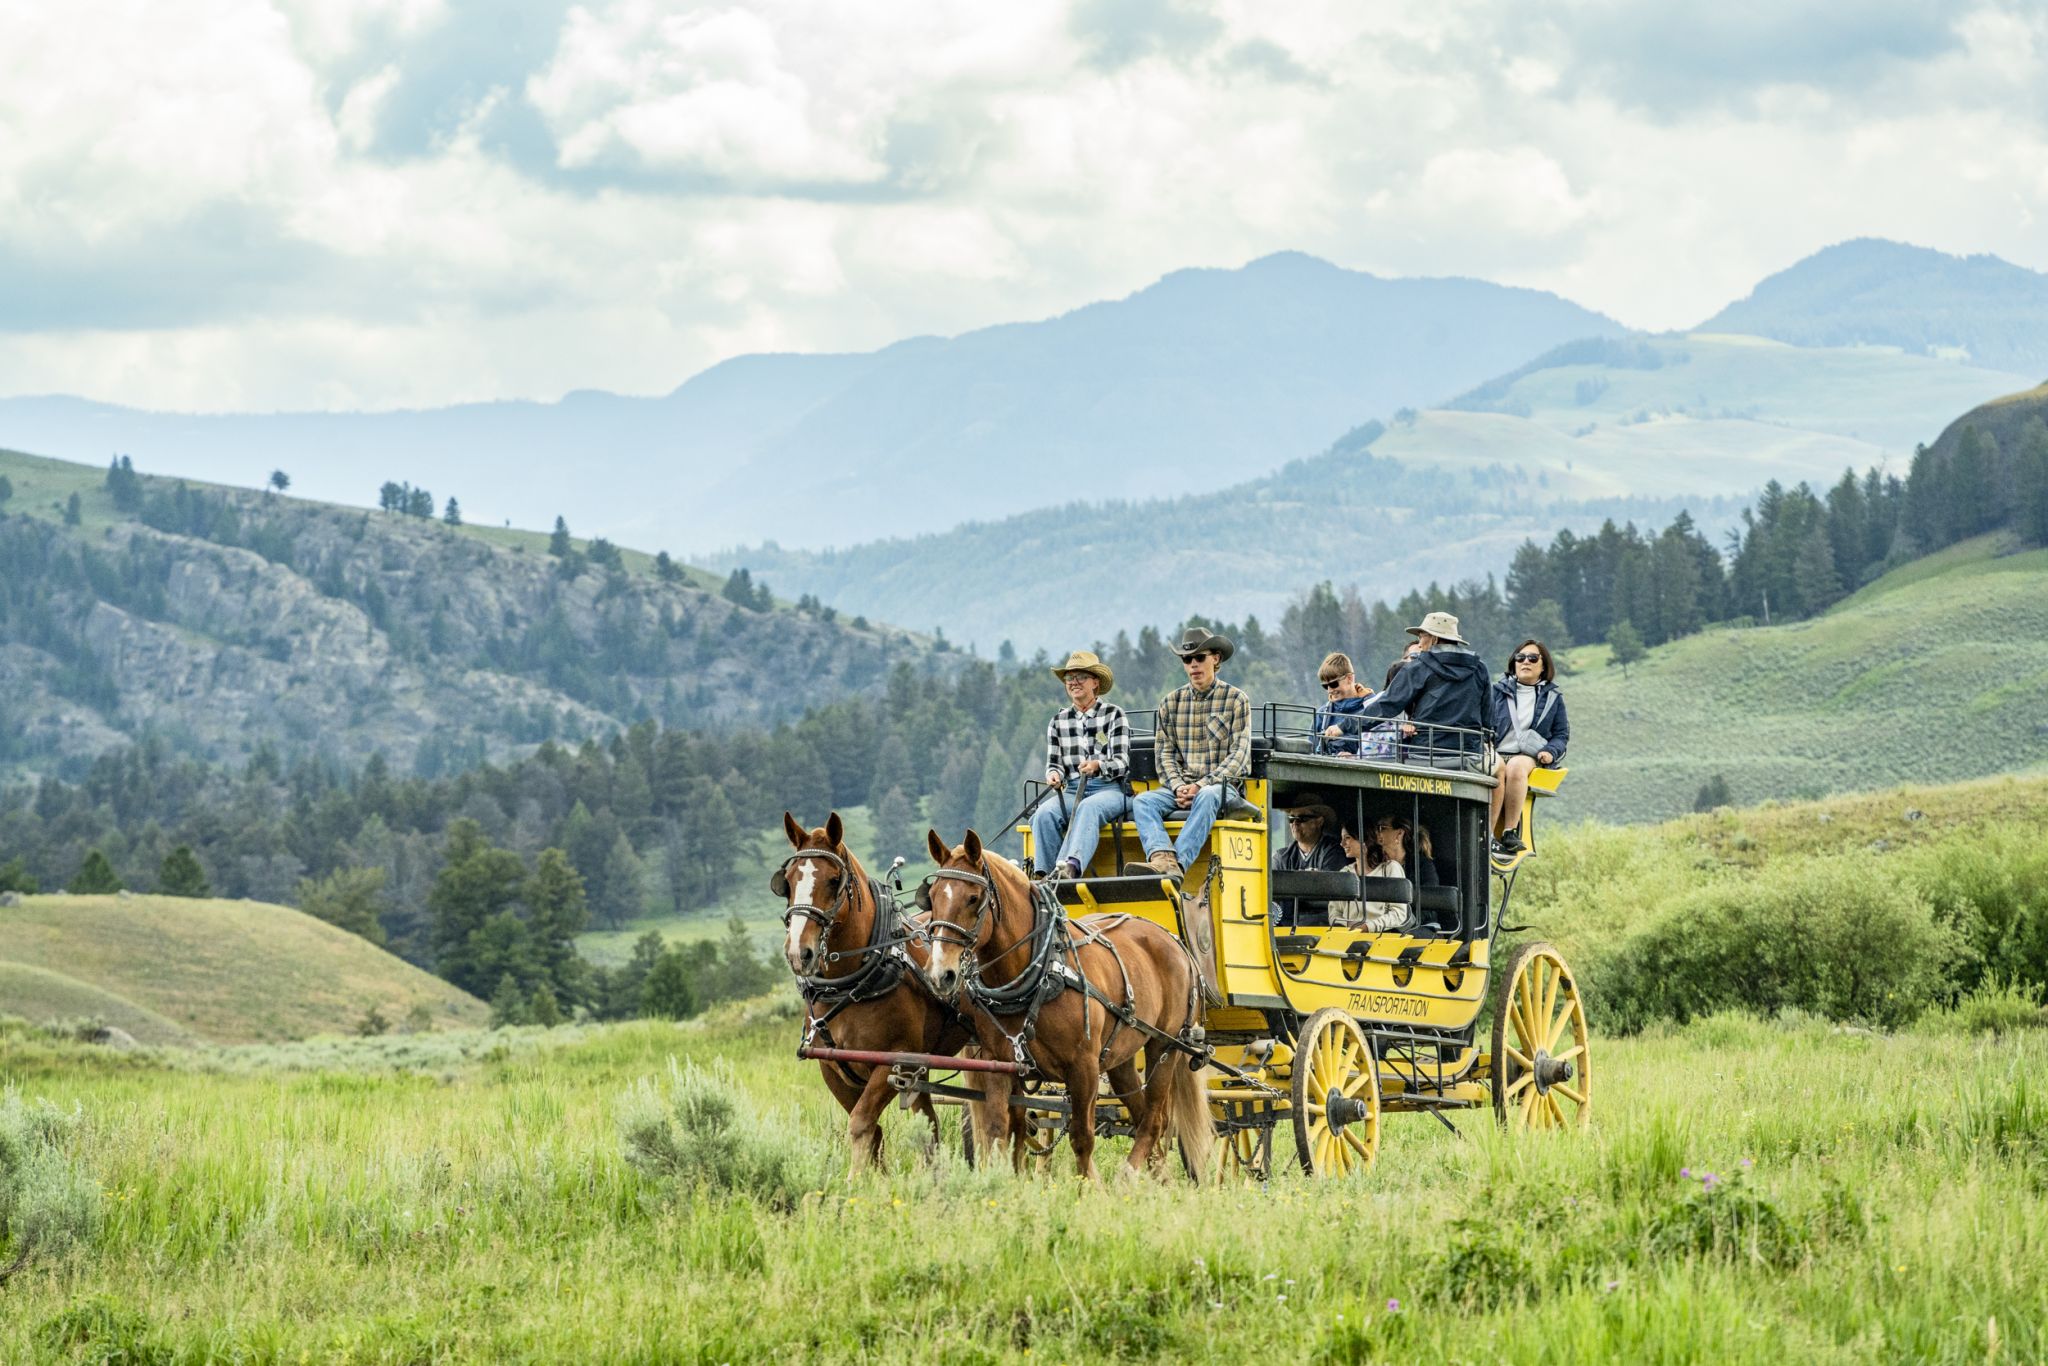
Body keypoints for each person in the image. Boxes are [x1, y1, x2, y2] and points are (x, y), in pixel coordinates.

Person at [1127, 626, 1252, 884]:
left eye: (1200, 658)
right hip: (1181, 788)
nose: (1193, 665)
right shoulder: (1170, 703)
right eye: (1187, 659)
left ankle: (1179, 864)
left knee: (1206, 796)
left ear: (1215, 659)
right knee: (1142, 802)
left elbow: (1239, 756)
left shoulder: (1236, 700)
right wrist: (1179, 787)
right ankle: (1162, 857)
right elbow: (1164, 755)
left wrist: (1200, 785)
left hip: (1222, 788)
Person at [1029, 650, 1132, 879]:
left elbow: (1122, 762)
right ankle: (1043, 877)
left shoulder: (1114, 715)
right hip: (1073, 790)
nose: (1074, 682)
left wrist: (1098, 765)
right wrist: (1053, 775)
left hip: (1110, 789)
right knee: (1043, 813)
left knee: (1089, 808)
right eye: (1069, 678)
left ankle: (1071, 867)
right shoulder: (1058, 722)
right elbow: (1054, 763)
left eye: (1080, 677)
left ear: (1095, 682)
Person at [1354, 611, 1490, 768]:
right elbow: (1487, 718)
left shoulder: (1418, 668)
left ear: (1434, 638)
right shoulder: (1480, 668)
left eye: (1421, 636)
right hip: (1470, 754)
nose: (1419, 643)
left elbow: (1387, 705)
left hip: (1424, 754)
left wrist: (1344, 727)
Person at [1489, 638, 1570, 855]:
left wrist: (1550, 752)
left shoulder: (1554, 698)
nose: (1526, 662)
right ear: (1513, 663)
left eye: (1533, 658)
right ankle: (1485, 835)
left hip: (1526, 756)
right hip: (1496, 750)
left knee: (1515, 766)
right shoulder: (1496, 691)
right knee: (1496, 766)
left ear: (1544, 666)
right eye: (1520, 657)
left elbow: (1561, 734)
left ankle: (1509, 832)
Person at [1329, 816, 1412, 932]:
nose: (1342, 844)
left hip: (1383, 935)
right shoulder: (1344, 873)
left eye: (1347, 838)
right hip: (1348, 936)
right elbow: (1334, 913)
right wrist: (1349, 925)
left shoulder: (1390, 869)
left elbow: (1399, 913)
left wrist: (1369, 927)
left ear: (1364, 839)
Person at [1271, 801, 1345, 926]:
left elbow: (1329, 893)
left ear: (1319, 821)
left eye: (1302, 818)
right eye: (1291, 818)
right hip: (1286, 926)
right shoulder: (1282, 857)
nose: (1295, 823)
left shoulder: (1333, 852)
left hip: (1323, 926)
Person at [1313, 653, 1372, 756]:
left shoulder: (1373, 707)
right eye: (1325, 686)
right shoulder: (1323, 714)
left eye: (1333, 684)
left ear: (1349, 678)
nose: (1329, 690)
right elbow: (1311, 750)